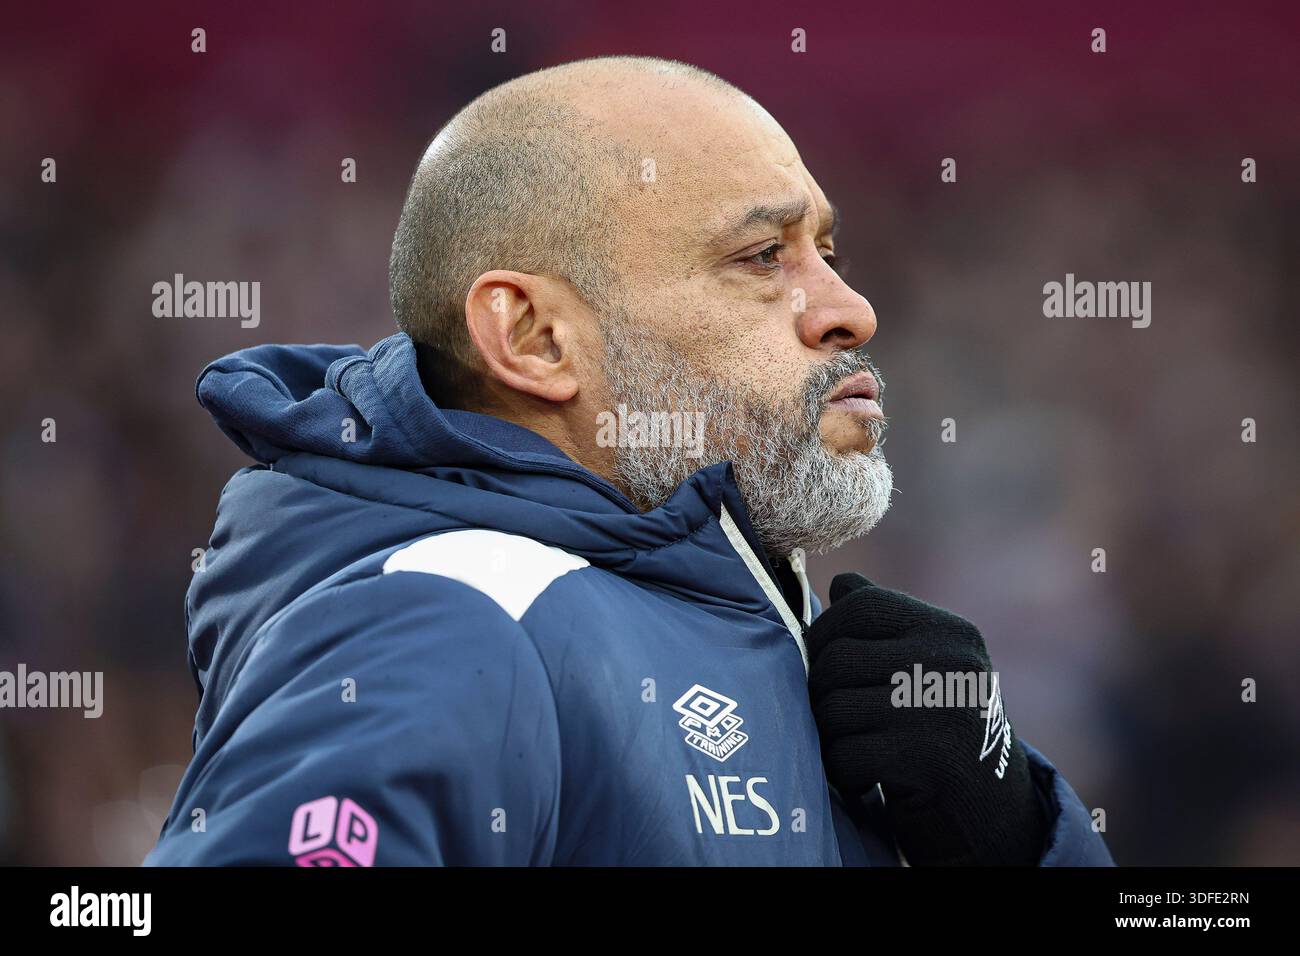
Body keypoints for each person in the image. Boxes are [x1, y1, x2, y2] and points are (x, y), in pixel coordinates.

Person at [146, 55, 1112, 866]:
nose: (850, 310)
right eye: (759, 257)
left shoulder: (770, 623)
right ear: (535, 338)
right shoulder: (450, 619)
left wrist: (1020, 834)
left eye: (825, 248)